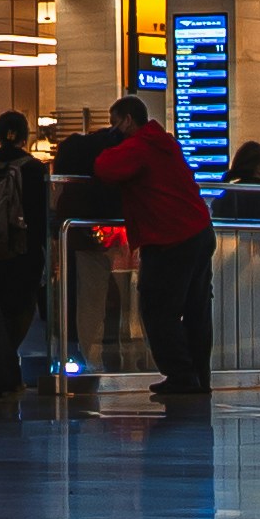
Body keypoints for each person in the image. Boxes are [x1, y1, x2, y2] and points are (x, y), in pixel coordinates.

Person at [90, 90, 217, 387]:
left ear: (127, 121)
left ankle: (181, 376)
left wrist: (104, 144)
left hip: (169, 239)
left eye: (114, 123)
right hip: (199, 231)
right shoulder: (164, 142)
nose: (112, 130)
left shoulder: (140, 147)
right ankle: (200, 376)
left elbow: (104, 168)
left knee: (158, 308)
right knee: (197, 310)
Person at [0, 105, 52, 363]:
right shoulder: (34, 168)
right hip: (23, 251)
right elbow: (41, 215)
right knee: (20, 307)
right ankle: (8, 359)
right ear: (24, 136)